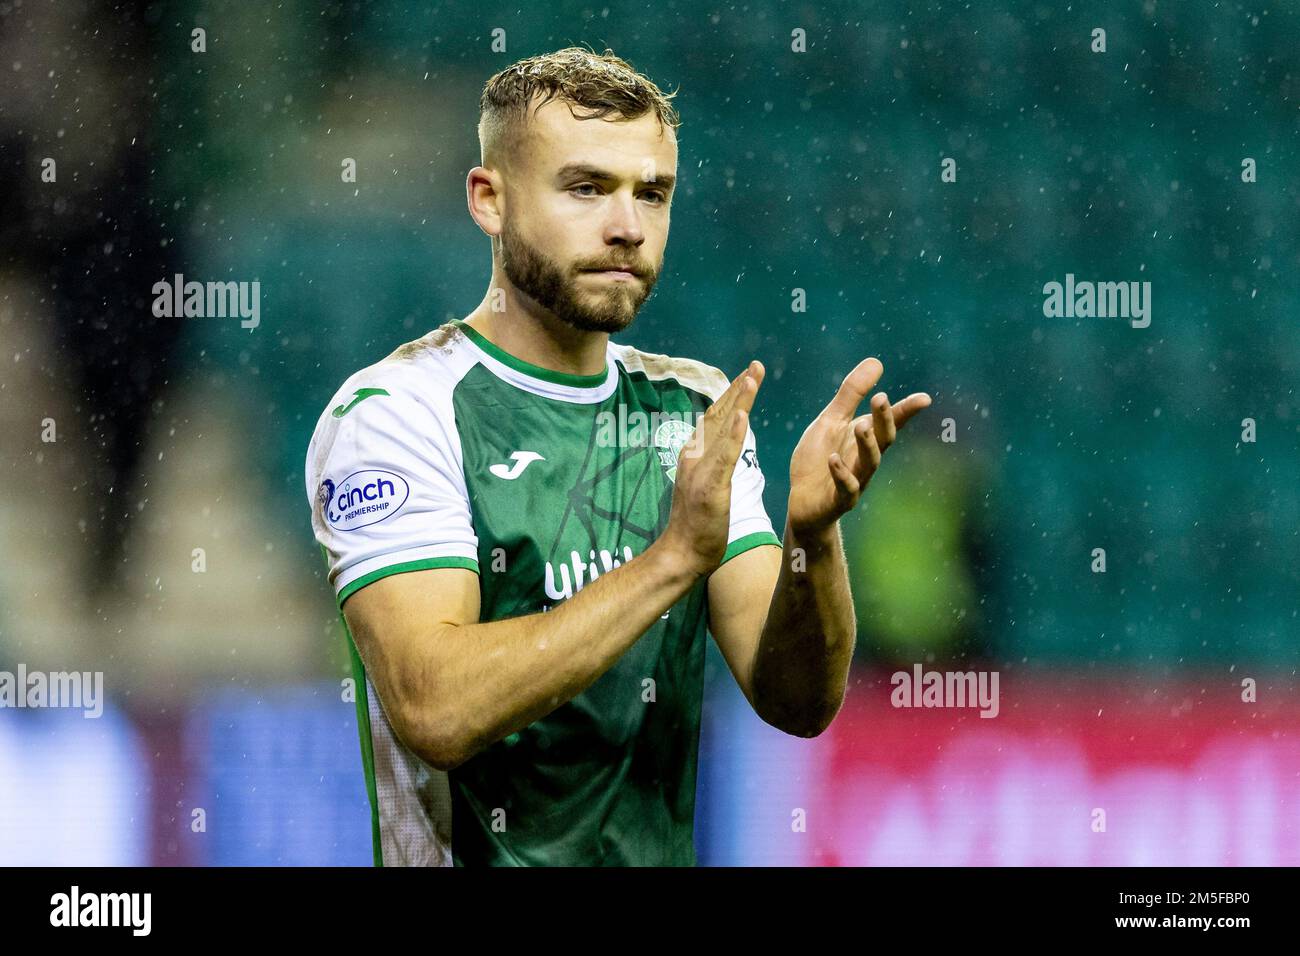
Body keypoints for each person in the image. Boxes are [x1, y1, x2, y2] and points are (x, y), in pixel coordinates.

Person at [305, 47, 931, 866]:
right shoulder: (397, 414)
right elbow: (435, 707)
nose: (627, 226)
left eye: (653, 193)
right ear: (489, 200)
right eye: (586, 188)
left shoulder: (691, 410)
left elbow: (797, 701)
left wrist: (813, 537)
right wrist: (673, 560)